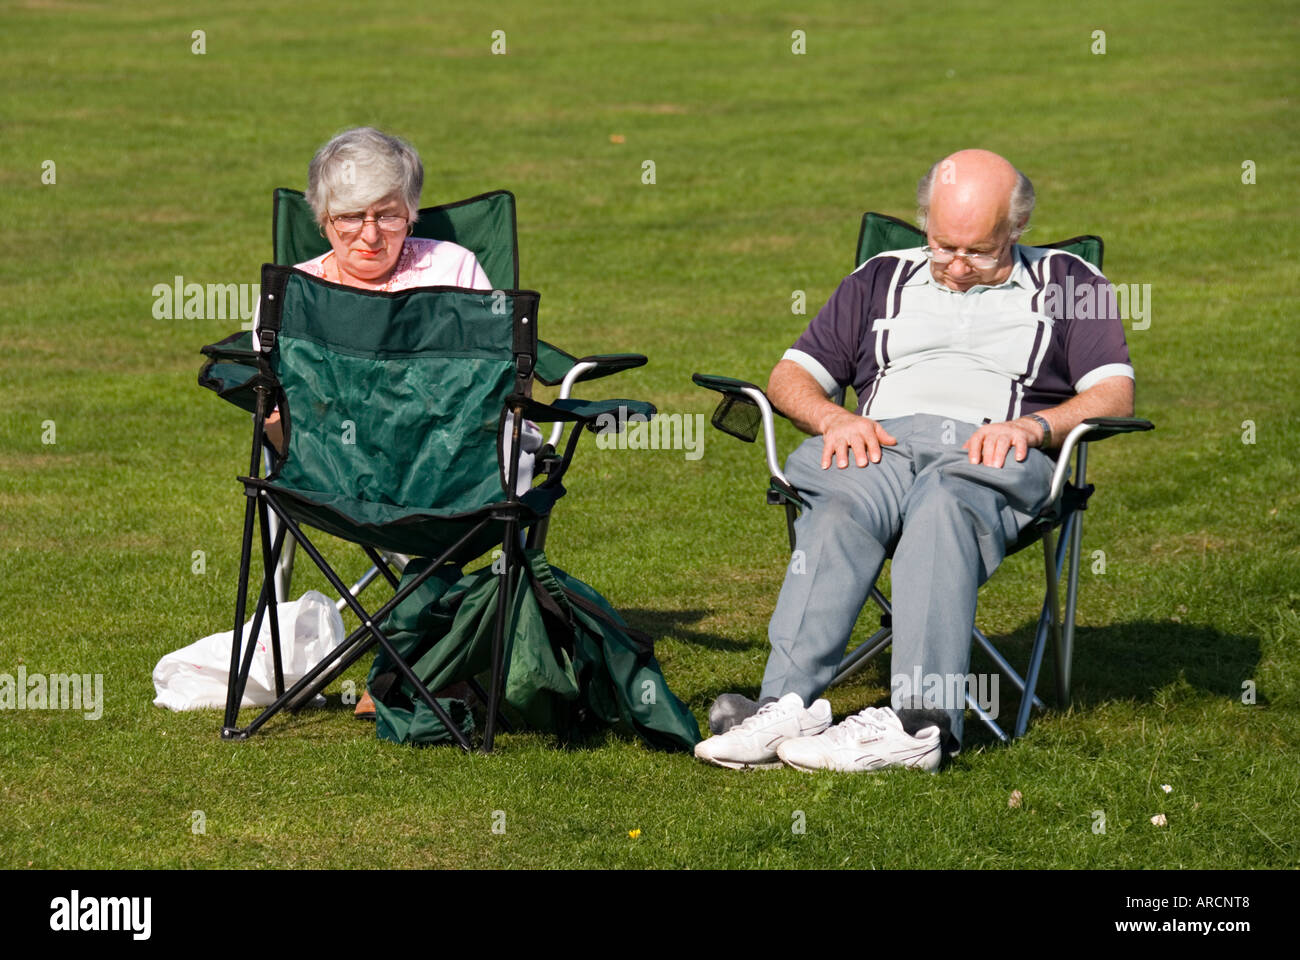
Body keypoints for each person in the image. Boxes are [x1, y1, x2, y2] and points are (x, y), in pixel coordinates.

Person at [695, 149, 1135, 773]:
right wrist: (835, 418)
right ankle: (785, 704)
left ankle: (919, 724)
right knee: (839, 501)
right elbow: (790, 376)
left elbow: (1113, 392)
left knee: (942, 505)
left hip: (991, 448)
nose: (956, 266)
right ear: (925, 221)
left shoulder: (1069, 282)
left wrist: (1035, 426)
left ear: (1016, 230)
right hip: (880, 443)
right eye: (942, 245)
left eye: (979, 252)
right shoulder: (880, 277)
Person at [259, 127, 540, 717]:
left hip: (448, 470)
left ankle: (394, 675)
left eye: (387, 215)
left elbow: (492, 380)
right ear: (322, 219)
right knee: (446, 538)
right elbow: (277, 412)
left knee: (467, 511)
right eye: (350, 218)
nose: (369, 234)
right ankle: (415, 671)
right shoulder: (297, 295)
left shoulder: (453, 268)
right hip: (335, 477)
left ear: (410, 214)